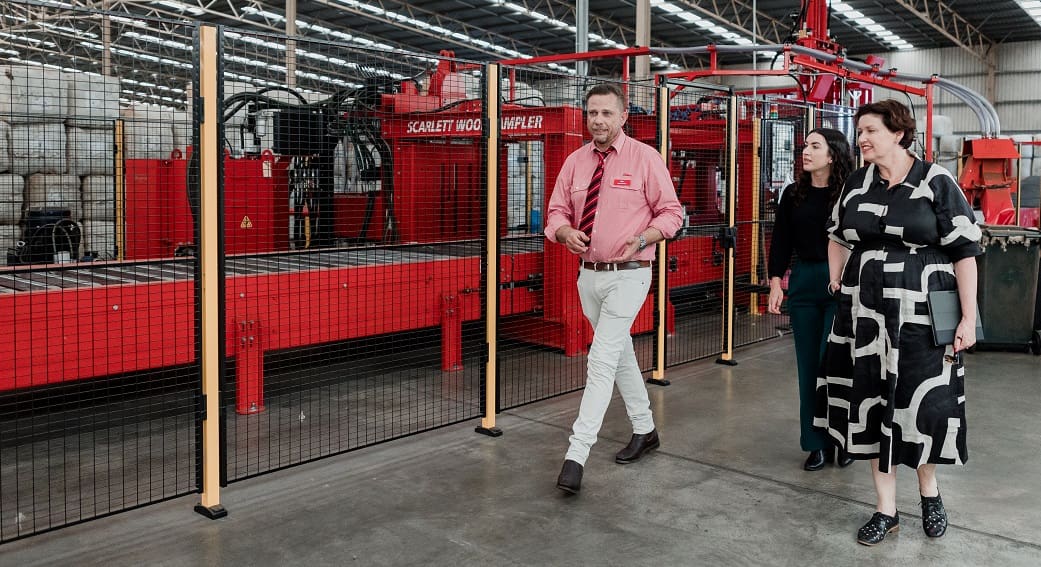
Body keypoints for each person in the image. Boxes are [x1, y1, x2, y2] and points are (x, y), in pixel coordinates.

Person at [812, 100, 982, 545]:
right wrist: (836, 278)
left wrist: (968, 315)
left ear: (898, 133)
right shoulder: (856, 182)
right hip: (864, 316)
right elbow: (836, 234)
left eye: (870, 130)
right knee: (869, 404)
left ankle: (930, 493)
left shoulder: (935, 181)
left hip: (922, 315)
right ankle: (885, 510)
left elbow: (965, 251)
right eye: (860, 131)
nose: (862, 138)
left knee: (918, 404)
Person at [543, 83, 683, 494]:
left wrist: (643, 238)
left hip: (632, 272)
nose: (598, 120)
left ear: (624, 117)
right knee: (618, 354)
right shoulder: (574, 162)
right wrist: (564, 231)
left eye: (606, 113)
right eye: (592, 113)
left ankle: (576, 454)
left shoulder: (645, 159)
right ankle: (646, 430)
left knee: (601, 359)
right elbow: (555, 212)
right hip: (589, 275)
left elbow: (672, 212)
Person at [766, 127, 856, 472]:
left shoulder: (848, 194)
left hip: (841, 283)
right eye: (805, 145)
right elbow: (781, 242)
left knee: (833, 365)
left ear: (832, 155)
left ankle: (842, 438)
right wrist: (776, 282)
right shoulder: (793, 194)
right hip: (804, 281)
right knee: (808, 368)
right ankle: (815, 443)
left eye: (814, 146)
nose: (805, 151)